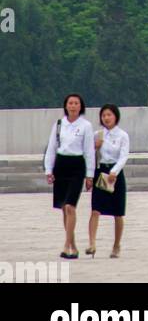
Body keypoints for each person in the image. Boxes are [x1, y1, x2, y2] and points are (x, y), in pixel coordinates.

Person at [44, 93, 95, 259]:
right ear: (66, 106)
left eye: (76, 103)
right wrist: (48, 170)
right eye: (70, 103)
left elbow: (89, 151)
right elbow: (52, 147)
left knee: (70, 206)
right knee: (63, 209)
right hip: (61, 166)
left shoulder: (86, 126)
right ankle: (73, 245)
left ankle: (66, 245)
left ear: (81, 107)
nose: (73, 106)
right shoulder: (59, 124)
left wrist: (90, 175)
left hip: (77, 167)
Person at [87, 103, 129, 258]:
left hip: (115, 175)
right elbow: (89, 156)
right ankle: (92, 244)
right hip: (101, 172)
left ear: (115, 116)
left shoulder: (123, 135)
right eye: (104, 115)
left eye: (109, 115)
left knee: (117, 213)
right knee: (96, 209)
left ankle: (116, 245)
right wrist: (94, 147)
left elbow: (123, 156)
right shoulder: (97, 135)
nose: (106, 118)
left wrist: (114, 171)